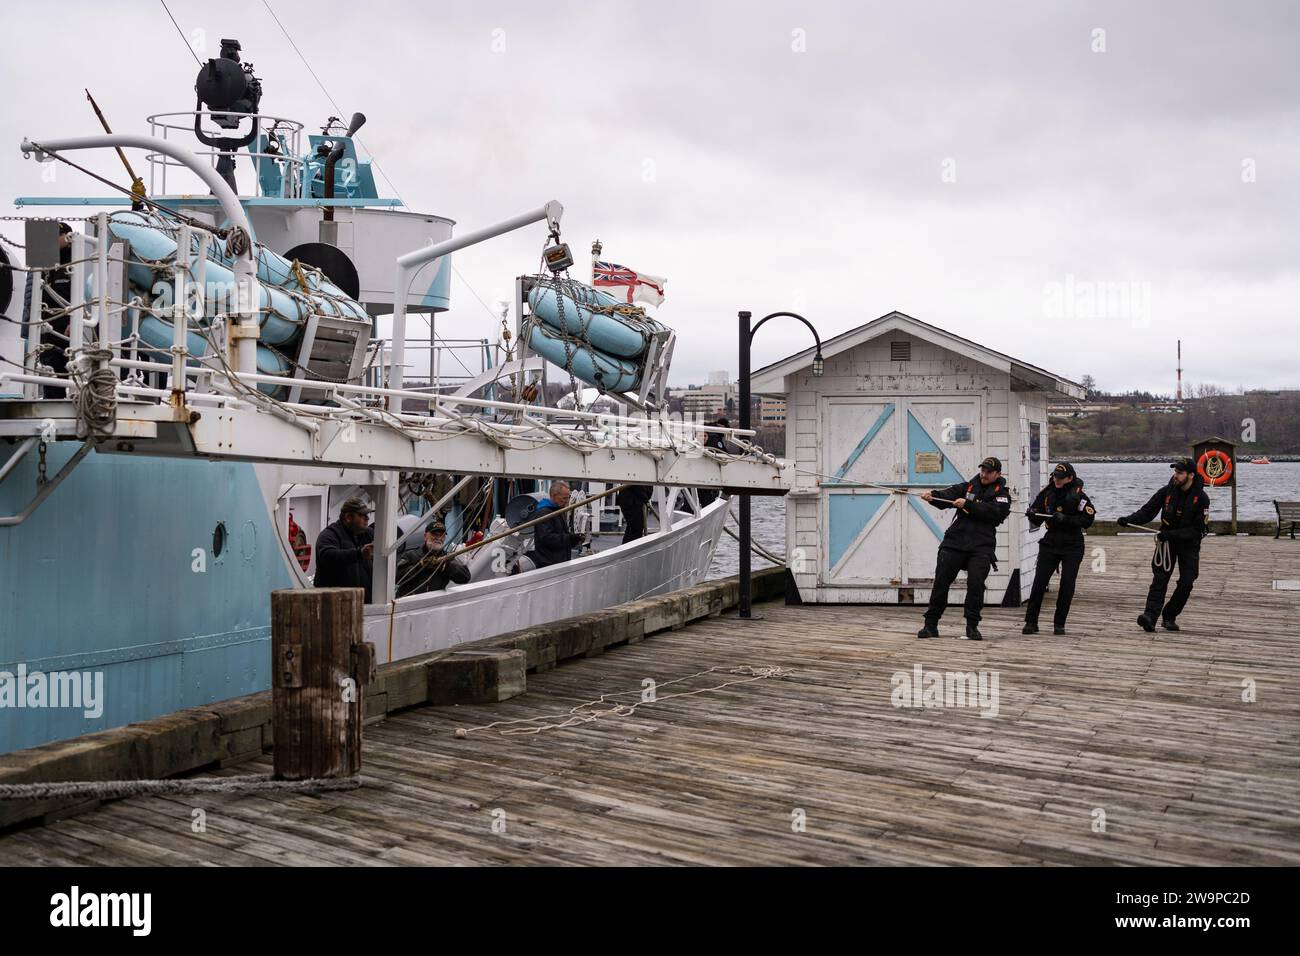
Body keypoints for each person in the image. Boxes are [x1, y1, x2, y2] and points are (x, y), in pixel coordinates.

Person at [917, 456, 1012, 641]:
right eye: (982, 470)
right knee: (941, 583)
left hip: (981, 546)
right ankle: (930, 625)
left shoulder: (1002, 494)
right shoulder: (968, 486)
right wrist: (932, 496)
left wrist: (968, 505)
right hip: (955, 542)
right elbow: (946, 496)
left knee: (976, 585)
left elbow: (995, 513)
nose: (984, 474)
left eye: (988, 472)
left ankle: (972, 626)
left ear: (997, 474)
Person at [1118, 456, 1209, 632]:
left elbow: (1197, 530)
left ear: (1190, 475)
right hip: (1166, 543)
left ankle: (1169, 615)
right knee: (1160, 579)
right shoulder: (1167, 491)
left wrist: (1171, 535)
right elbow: (1147, 511)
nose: (1176, 475)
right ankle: (1150, 616)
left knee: (1187, 581)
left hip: (1188, 543)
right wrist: (1128, 520)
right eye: (1175, 472)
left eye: (1180, 472)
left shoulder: (1202, 499)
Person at [1023, 462, 1095, 635]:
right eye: (1055, 476)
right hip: (1051, 542)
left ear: (1070, 478)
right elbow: (1037, 519)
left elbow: (1088, 521)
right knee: (1039, 582)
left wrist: (1067, 519)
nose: (1057, 479)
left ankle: (1059, 623)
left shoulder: (1079, 497)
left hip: (1072, 544)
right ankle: (1031, 622)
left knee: (1067, 584)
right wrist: (1032, 514)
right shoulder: (1047, 494)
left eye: (1061, 477)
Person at [314, 496, 375, 601]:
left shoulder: (368, 534)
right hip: (337, 605)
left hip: (364, 604)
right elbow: (327, 555)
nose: (367, 518)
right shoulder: (329, 534)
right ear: (348, 517)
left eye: (367, 514)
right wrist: (359, 554)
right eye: (362, 515)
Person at [395, 523, 471, 597]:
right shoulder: (411, 555)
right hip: (409, 603)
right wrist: (420, 566)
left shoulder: (447, 558)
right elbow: (397, 578)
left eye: (441, 535)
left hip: (433, 604)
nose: (438, 538)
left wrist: (446, 566)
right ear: (425, 536)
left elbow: (465, 577)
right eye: (434, 534)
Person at [532, 480, 584, 568]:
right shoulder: (544, 513)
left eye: (568, 498)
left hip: (558, 561)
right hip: (549, 563)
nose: (567, 501)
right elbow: (547, 538)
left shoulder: (557, 509)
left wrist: (574, 539)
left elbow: (559, 533)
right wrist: (570, 539)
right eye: (564, 498)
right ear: (554, 496)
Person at [698, 418, 729, 508]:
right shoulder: (714, 436)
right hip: (707, 478)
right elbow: (722, 453)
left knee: (691, 507)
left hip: (699, 475)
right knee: (708, 505)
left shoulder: (709, 431)